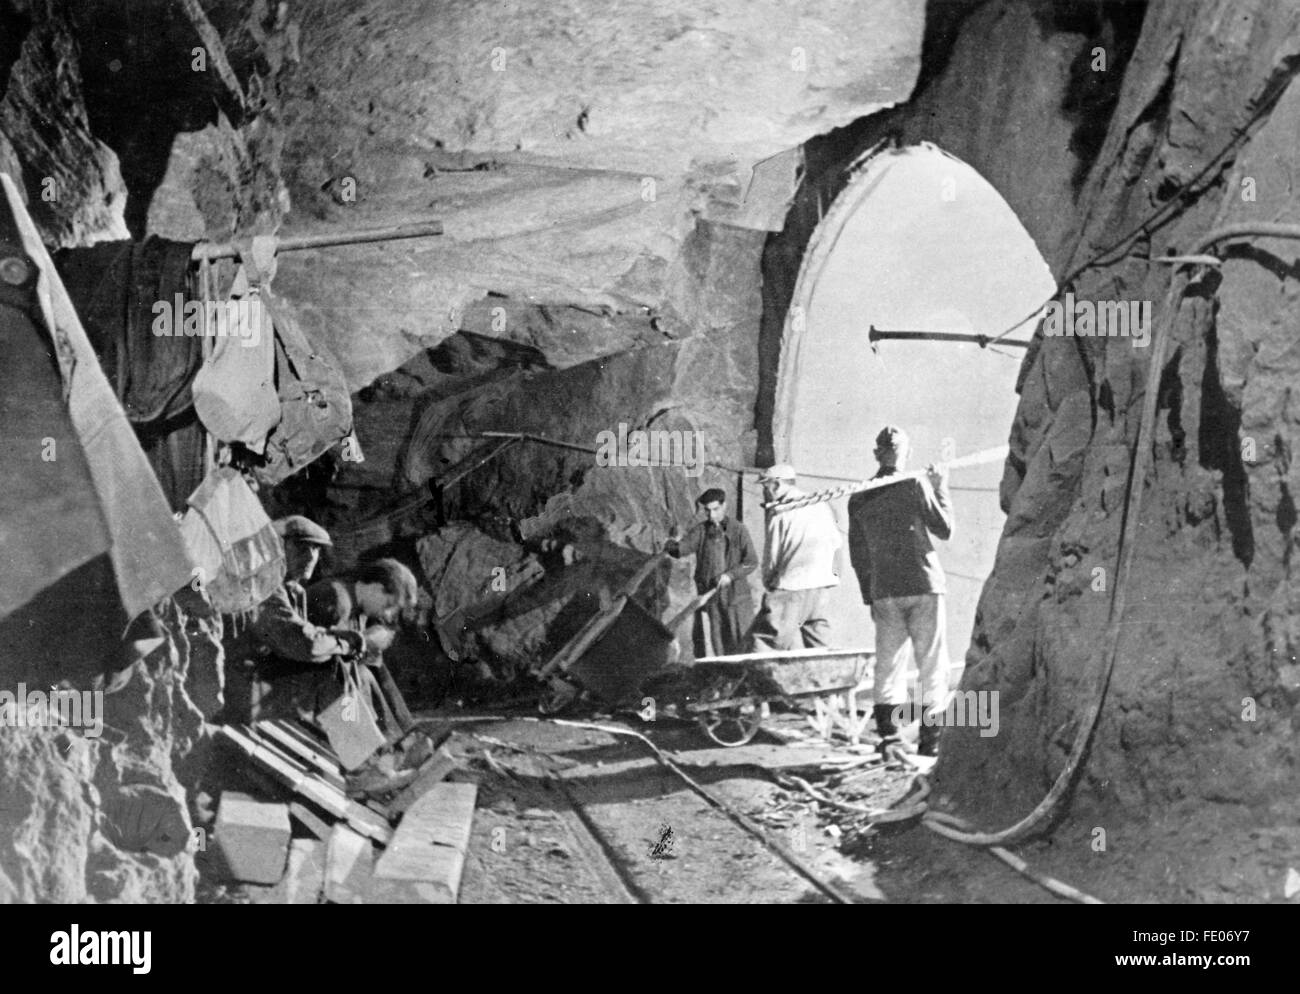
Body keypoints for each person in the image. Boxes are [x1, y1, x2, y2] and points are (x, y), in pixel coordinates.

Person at [847, 426, 954, 757]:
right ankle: (930, 744)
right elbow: (945, 528)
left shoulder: (859, 496)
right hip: (923, 585)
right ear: (905, 454)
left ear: (877, 454)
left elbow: (858, 555)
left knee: (888, 667)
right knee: (932, 666)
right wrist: (941, 487)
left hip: (885, 591)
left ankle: (891, 741)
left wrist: (870, 596)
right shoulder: (914, 483)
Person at [221, 515, 364, 724]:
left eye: (315, 549)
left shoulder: (292, 590)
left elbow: (303, 637)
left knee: (335, 661)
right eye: (300, 547)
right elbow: (303, 644)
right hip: (233, 688)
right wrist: (342, 643)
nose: (310, 557)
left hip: (253, 682)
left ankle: (359, 745)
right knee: (332, 665)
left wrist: (335, 638)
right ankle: (357, 750)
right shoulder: (264, 583)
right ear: (277, 547)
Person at [306, 557, 420, 732]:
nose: (388, 615)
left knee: (374, 663)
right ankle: (387, 742)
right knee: (362, 673)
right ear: (376, 588)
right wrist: (364, 641)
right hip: (304, 678)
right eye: (389, 605)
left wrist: (369, 644)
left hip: (322, 675)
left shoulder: (355, 604)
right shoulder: (338, 600)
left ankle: (404, 734)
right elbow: (317, 651)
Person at [747, 464, 842, 651]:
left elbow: (772, 555)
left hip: (791, 587)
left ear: (775, 485)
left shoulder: (780, 512)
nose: (765, 493)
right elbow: (835, 544)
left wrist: (769, 583)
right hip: (820, 587)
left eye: (765, 487)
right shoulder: (820, 505)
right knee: (819, 646)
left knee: (766, 643)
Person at [665, 488, 758, 656]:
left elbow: (751, 562)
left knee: (742, 645)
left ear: (725, 506)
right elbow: (681, 549)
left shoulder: (739, 530)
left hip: (737, 599)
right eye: (707, 511)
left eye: (715, 510)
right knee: (718, 647)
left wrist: (731, 575)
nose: (712, 515)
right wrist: (672, 542)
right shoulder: (701, 530)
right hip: (713, 599)